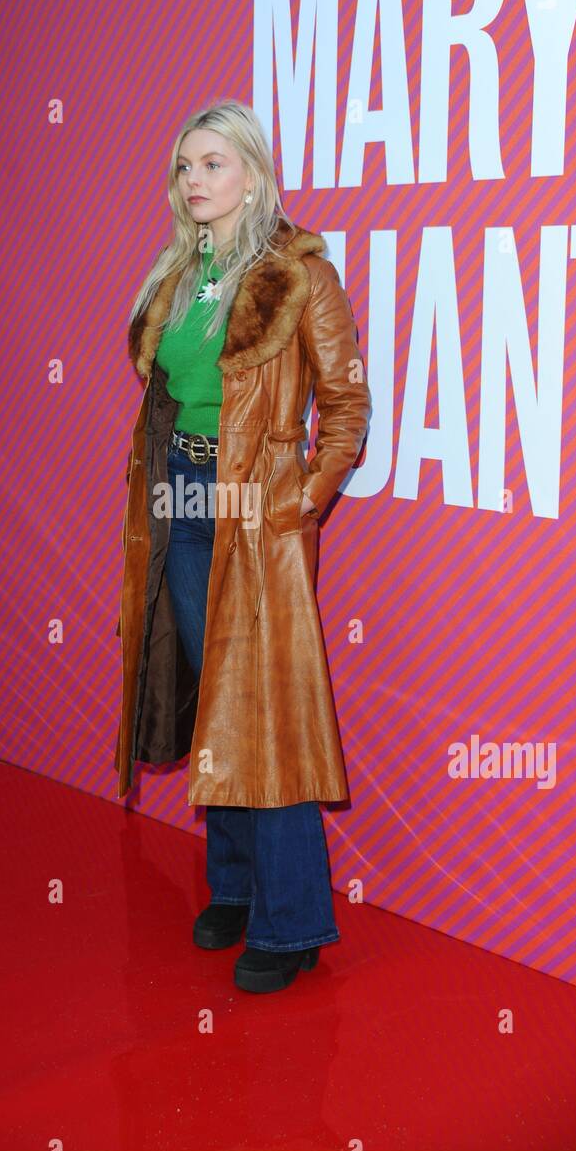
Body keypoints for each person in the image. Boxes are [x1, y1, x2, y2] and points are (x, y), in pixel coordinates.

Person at [114, 100, 372, 994]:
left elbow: (344, 411)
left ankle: (293, 920)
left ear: (254, 176)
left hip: (252, 508)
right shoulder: (182, 274)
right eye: (185, 165)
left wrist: (291, 507)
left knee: (267, 709)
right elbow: (170, 401)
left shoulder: (299, 275)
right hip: (182, 498)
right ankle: (233, 887)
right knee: (211, 699)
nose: (194, 180)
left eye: (214, 164)